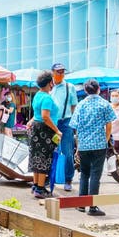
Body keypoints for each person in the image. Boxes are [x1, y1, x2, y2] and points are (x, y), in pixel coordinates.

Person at [69, 78, 116, 216]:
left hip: (84, 145)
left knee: (84, 174)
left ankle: (81, 204)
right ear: (99, 89)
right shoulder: (105, 104)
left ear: (85, 90)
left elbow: (75, 128)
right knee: (96, 175)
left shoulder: (81, 105)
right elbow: (109, 126)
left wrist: (78, 146)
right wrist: (105, 140)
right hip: (99, 145)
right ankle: (93, 207)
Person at [27, 71, 62, 199]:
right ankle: (40, 189)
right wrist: (57, 130)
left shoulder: (38, 95)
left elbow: (37, 114)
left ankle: (36, 185)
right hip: (44, 130)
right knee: (44, 158)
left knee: (36, 157)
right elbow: (45, 117)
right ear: (49, 83)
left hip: (36, 127)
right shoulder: (47, 98)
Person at [50, 63, 78, 192]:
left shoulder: (69, 87)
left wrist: (73, 122)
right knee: (50, 151)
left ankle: (68, 179)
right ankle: (50, 178)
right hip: (51, 123)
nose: (61, 74)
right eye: (58, 72)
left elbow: (74, 106)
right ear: (52, 73)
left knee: (68, 152)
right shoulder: (49, 86)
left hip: (66, 122)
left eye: (62, 72)